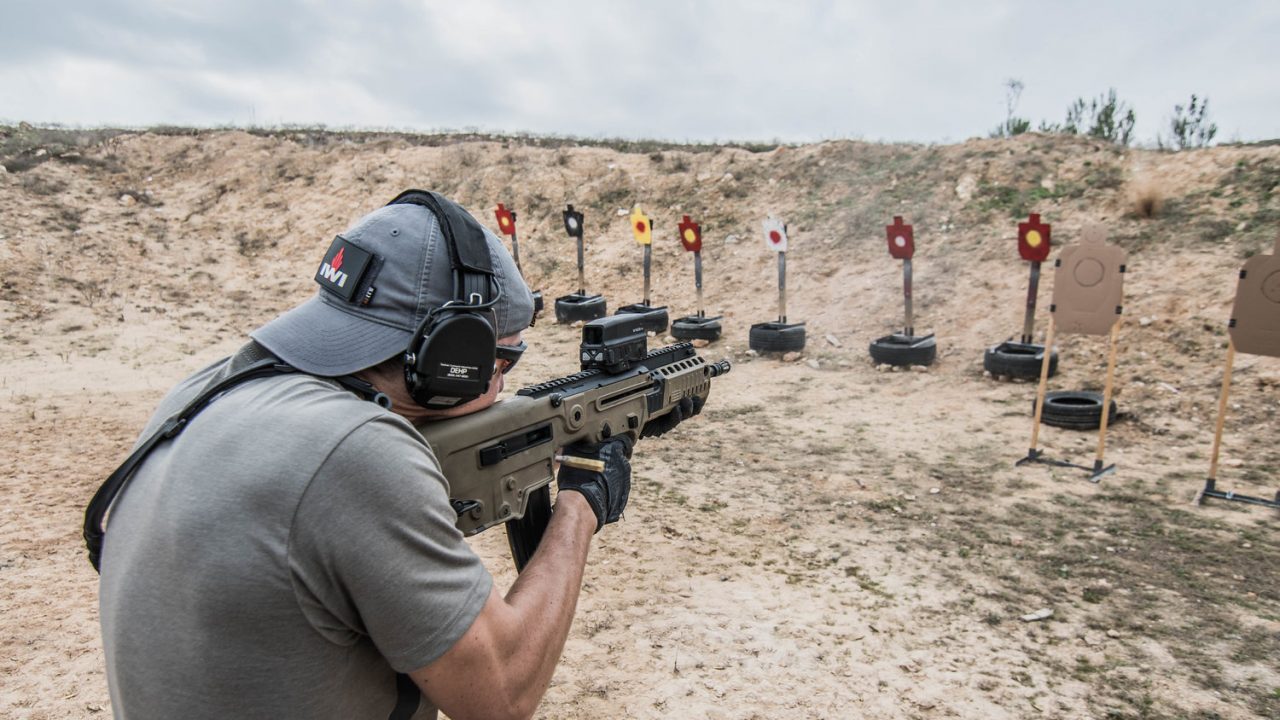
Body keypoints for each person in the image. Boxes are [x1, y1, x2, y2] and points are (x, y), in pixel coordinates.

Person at [93, 191, 639, 720]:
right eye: (504, 363)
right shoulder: (357, 452)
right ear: (454, 359)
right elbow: (503, 693)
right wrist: (580, 503)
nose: (502, 388)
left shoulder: (206, 389)